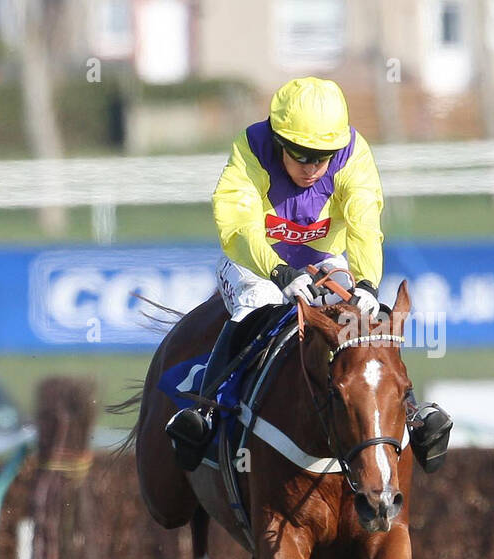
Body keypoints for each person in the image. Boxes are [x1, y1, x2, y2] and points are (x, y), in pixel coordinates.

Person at [166, 76, 451, 473]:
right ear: (280, 142)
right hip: (254, 262)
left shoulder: (353, 154)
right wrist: (279, 271)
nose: (314, 168)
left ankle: (412, 412)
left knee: (365, 322)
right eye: (302, 156)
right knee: (256, 305)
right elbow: (237, 224)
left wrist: (367, 283)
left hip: (324, 260)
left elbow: (364, 224)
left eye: (324, 157)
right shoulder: (252, 148)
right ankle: (206, 413)